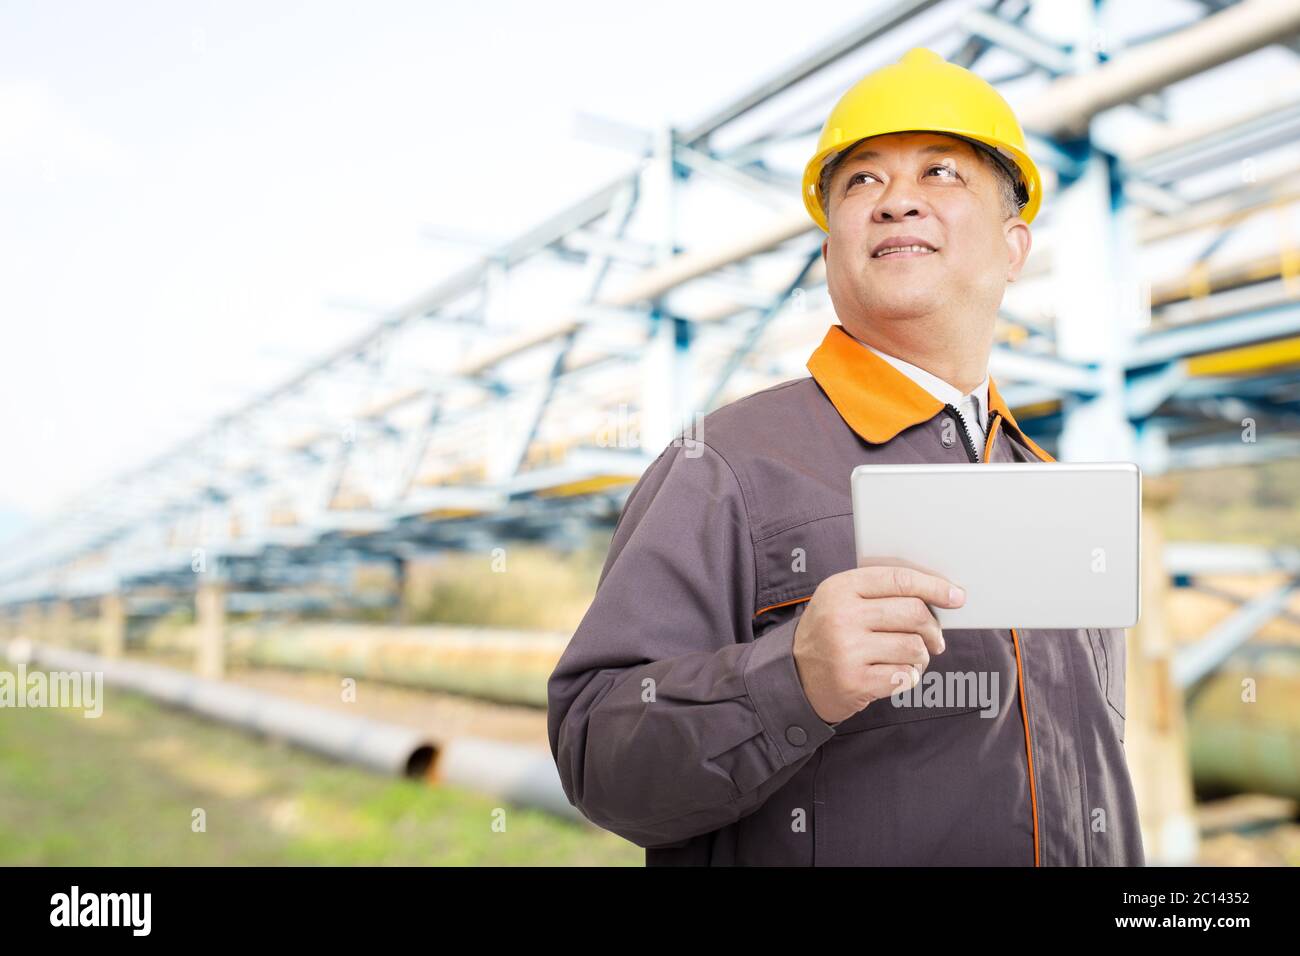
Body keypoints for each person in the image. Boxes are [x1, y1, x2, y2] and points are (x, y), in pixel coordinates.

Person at [547, 47, 1143, 866]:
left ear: (1013, 248)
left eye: (941, 173)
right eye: (861, 182)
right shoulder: (724, 466)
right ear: (831, 253)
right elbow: (595, 757)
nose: (897, 200)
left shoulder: (1050, 494)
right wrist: (789, 679)